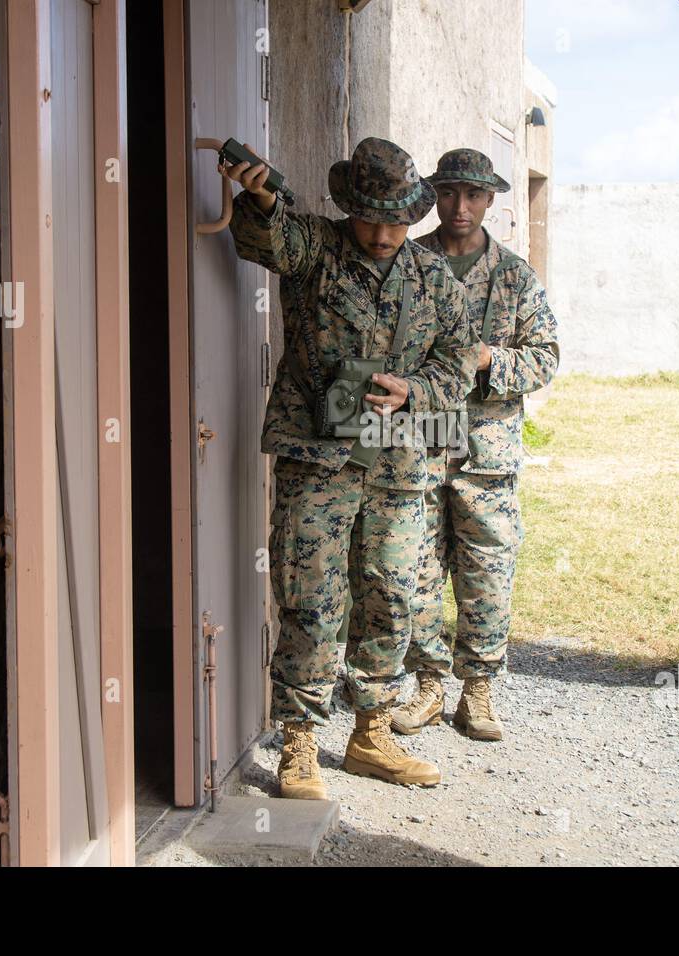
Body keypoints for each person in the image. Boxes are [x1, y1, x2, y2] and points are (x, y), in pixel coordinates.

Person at [221, 137, 477, 798]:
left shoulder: (431, 278)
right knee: (310, 596)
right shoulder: (316, 247)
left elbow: (456, 361)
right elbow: (267, 241)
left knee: (390, 595)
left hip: (395, 460)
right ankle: (300, 742)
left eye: (398, 220)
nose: (385, 233)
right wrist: (260, 198)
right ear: (350, 207)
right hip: (319, 457)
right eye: (372, 217)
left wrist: (413, 391)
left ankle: (372, 733)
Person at [393, 147, 560, 741]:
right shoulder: (409, 264)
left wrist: (492, 360)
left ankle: (478, 690)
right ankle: (428, 685)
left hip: (486, 449)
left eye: (472, 195)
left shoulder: (514, 277)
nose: (458, 207)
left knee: (487, 569)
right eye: (447, 194)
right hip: (418, 440)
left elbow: (545, 358)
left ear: (491, 200)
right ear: (433, 198)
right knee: (413, 567)